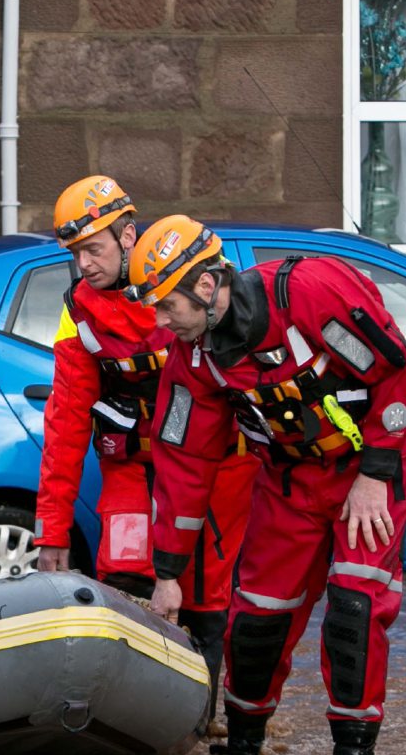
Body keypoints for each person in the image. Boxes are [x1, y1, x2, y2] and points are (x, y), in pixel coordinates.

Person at [124, 215, 406, 755]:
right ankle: (243, 751)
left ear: (207, 287)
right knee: (259, 611)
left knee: (354, 607)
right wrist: (168, 573)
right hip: (289, 480)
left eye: (167, 306)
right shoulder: (194, 359)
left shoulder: (309, 296)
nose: (159, 322)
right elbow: (184, 468)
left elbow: (397, 371)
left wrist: (376, 474)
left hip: (370, 469)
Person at [32, 176, 257, 694]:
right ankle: (130, 705)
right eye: (76, 252)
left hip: (216, 468)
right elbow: (65, 423)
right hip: (131, 465)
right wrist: (51, 531)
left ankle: (204, 716)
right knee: (124, 578)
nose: (84, 263)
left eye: (94, 248)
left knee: (205, 592)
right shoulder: (80, 313)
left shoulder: (190, 284)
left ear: (128, 236)